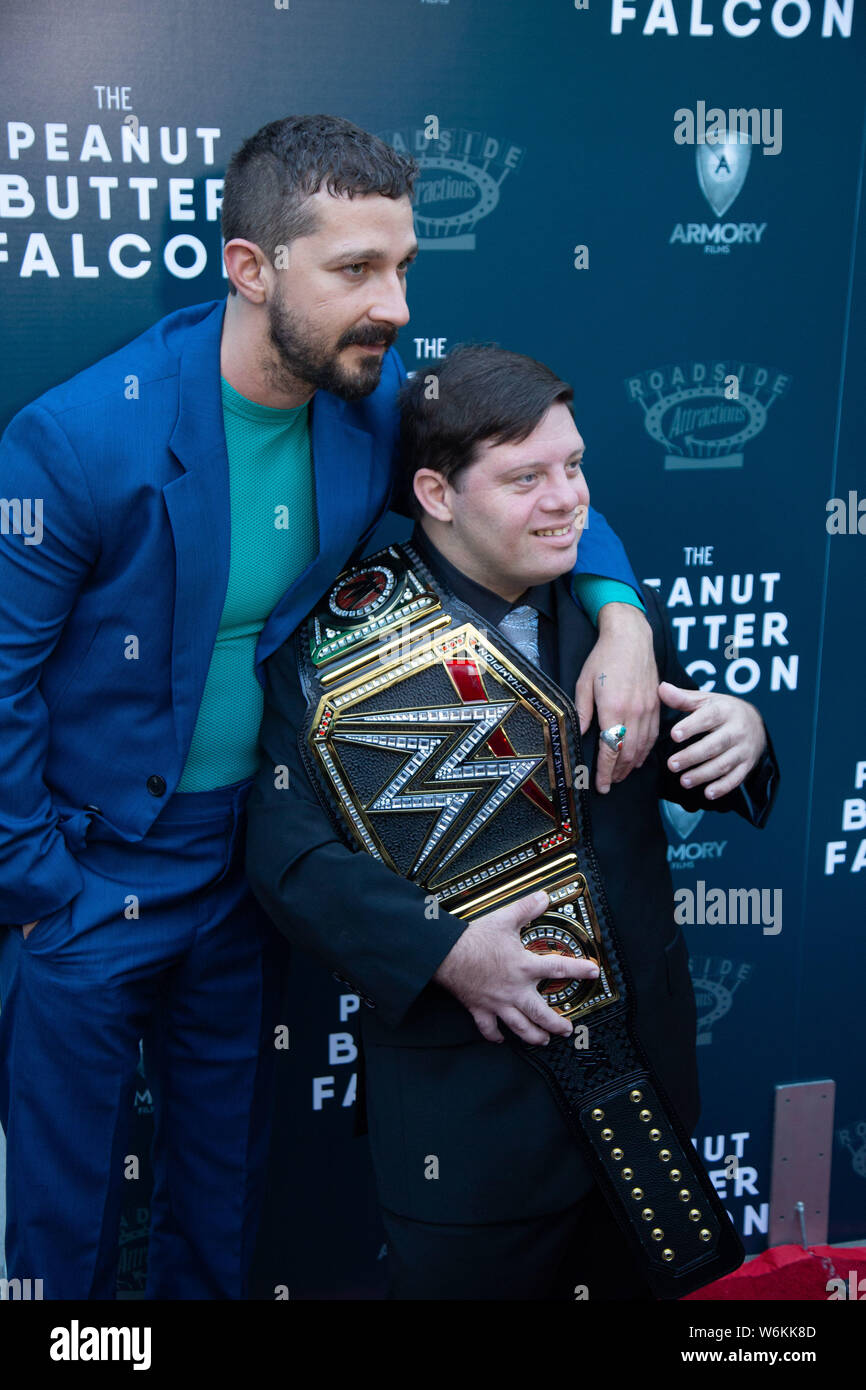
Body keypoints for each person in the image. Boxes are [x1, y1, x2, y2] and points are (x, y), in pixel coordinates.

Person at [0, 117, 656, 1300]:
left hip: (248, 867)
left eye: (402, 266)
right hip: (87, 871)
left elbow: (538, 474)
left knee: (222, 1198)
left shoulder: (365, 400)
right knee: (65, 1227)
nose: (394, 304)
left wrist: (619, 613)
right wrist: (41, 890)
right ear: (250, 270)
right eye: (355, 269)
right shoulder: (79, 440)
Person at [245, 343, 779, 1300]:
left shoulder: (609, 613)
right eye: (527, 478)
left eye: (574, 467)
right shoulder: (328, 654)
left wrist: (744, 734)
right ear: (438, 495)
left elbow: (694, 762)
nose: (568, 499)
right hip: (466, 1119)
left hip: (642, 1080)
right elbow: (291, 861)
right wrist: (443, 952)